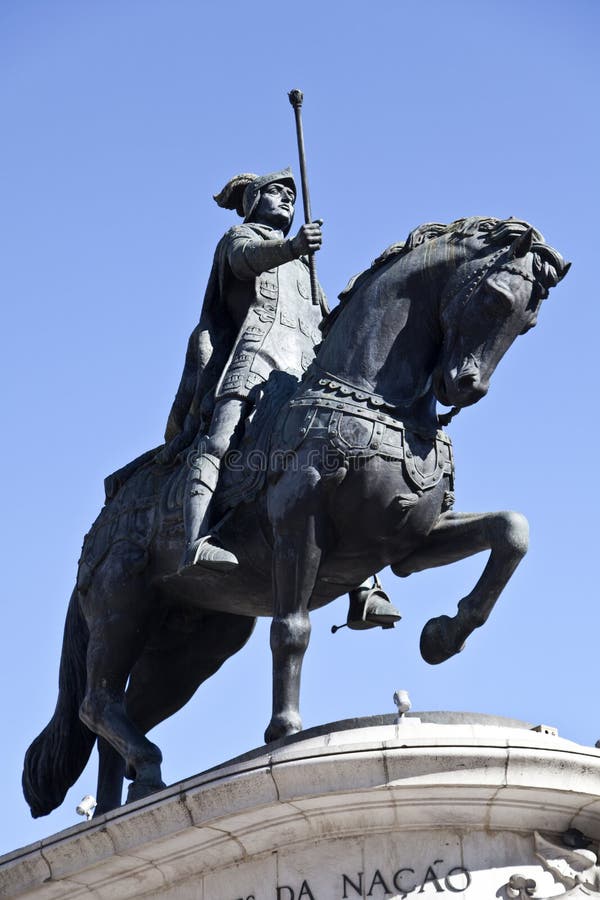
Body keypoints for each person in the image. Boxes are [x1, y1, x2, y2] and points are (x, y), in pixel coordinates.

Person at [161, 167, 401, 629]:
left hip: (304, 369)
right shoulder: (240, 238)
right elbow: (245, 260)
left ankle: (365, 591)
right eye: (275, 190)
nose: (288, 197)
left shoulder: (302, 266)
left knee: (344, 460)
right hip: (256, 359)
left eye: (292, 193)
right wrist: (293, 246)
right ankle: (196, 541)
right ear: (252, 201)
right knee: (219, 440)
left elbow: (326, 319)